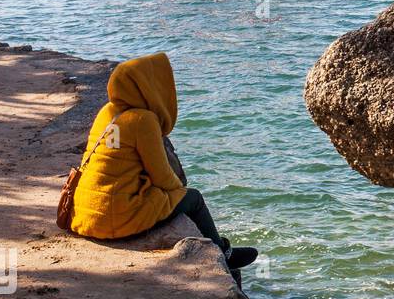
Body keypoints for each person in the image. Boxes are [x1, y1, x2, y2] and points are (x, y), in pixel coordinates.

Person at [71, 52, 257, 275]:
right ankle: (224, 254)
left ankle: (223, 252)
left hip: (84, 215)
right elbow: (161, 177)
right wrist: (178, 192)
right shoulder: (143, 119)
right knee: (193, 198)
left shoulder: (106, 112)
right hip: (116, 219)